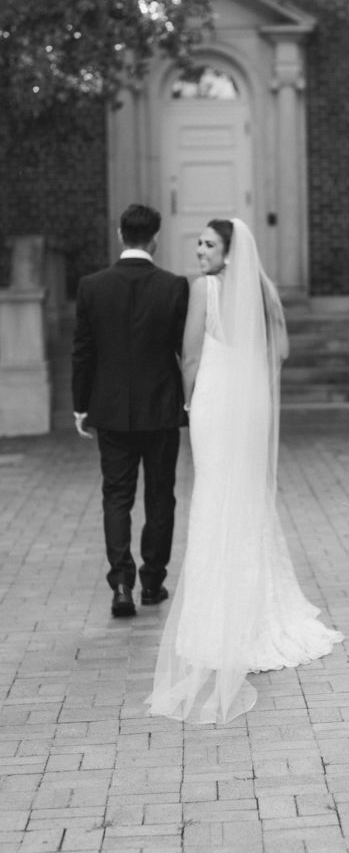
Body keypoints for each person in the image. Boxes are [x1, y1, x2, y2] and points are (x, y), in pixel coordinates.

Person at [148, 218, 343, 724]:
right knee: (245, 495)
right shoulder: (263, 290)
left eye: (209, 244)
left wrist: (189, 405)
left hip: (213, 402)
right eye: (198, 244)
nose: (199, 252)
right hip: (248, 405)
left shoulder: (204, 290)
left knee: (215, 493)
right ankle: (260, 607)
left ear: (230, 252)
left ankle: (219, 613)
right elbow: (280, 351)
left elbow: (190, 354)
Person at [71, 204, 190, 618]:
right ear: (154, 239)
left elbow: (83, 352)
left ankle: (121, 583)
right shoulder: (175, 286)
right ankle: (152, 582)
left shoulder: (92, 286)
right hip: (160, 409)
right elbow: (185, 351)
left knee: (116, 496)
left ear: (121, 234)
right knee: (161, 495)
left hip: (111, 410)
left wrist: (80, 406)